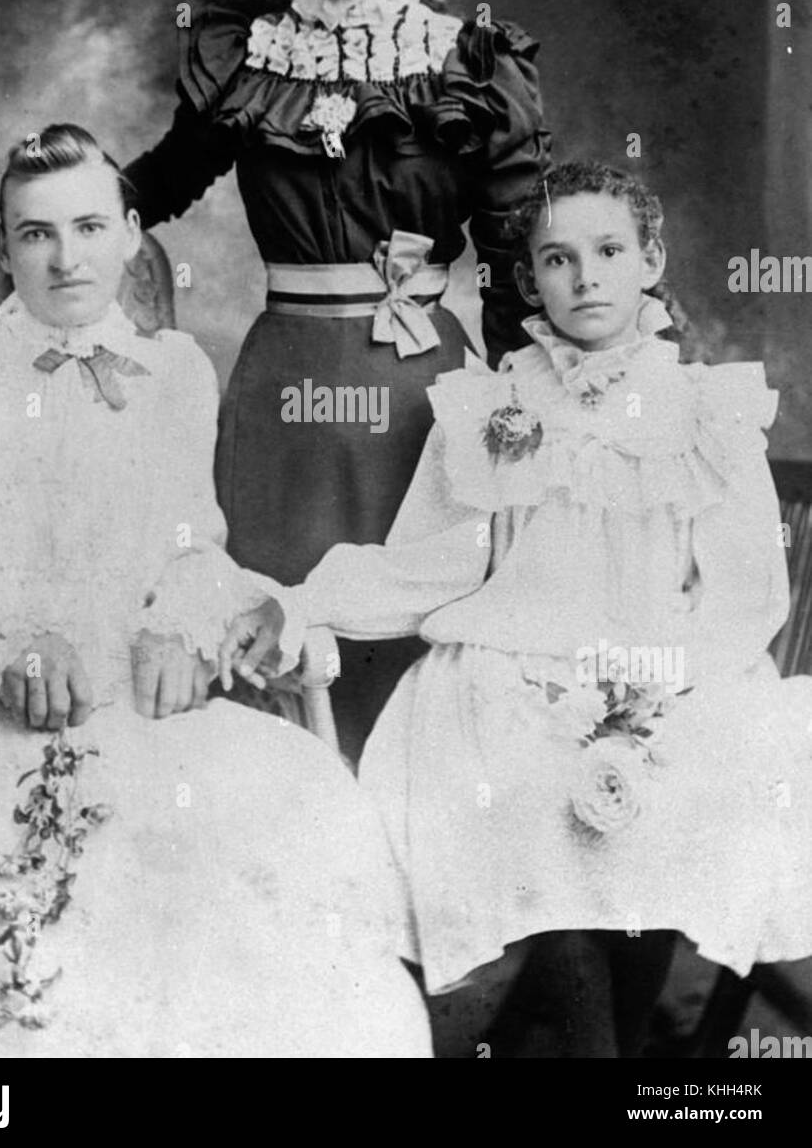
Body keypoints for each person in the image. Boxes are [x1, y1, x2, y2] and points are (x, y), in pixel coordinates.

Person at [0, 0, 550, 762]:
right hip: (281, 395)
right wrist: (45, 240)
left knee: (413, 669)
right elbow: (158, 181)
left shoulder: (470, 63)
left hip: (426, 401)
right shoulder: (249, 51)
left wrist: (522, 416)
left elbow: (516, 260)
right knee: (267, 660)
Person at [0, 125, 432, 1059]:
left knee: (253, 872)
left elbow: (191, 547)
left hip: (158, 709)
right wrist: (3, 648)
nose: (64, 255)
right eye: (34, 233)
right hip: (17, 720)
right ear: (5, 251)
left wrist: (190, 628)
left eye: (88, 227)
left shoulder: (175, 373)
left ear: (131, 233)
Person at [235, 160, 812, 1056]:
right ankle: (595, 1049)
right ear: (530, 277)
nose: (584, 277)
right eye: (557, 258)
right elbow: (439, 563)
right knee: (524, 789)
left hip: (663, 668)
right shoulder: (496, 403)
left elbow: (743, 594)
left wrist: (666, 683)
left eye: (609, 251)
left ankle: (605, 1045)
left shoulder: (706, 407)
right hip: (509, 673)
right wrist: (306, 603)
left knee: (675, 782)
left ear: (650, 261)